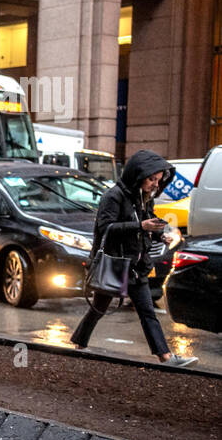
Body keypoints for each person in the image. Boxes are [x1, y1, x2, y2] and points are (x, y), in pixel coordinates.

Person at [71, 149, 198, 367]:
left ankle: (165, 357)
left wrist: (159, 233)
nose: (155, 185)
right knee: (99, 308)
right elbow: (106, 228)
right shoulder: (113, 196)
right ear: (138, 174)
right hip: (116, 265)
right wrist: (140, 226)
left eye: (158, 181)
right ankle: (79, 345)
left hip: (137, 266)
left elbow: (147, 220)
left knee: (147, 312)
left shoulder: (144, 197)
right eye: (152, 179)